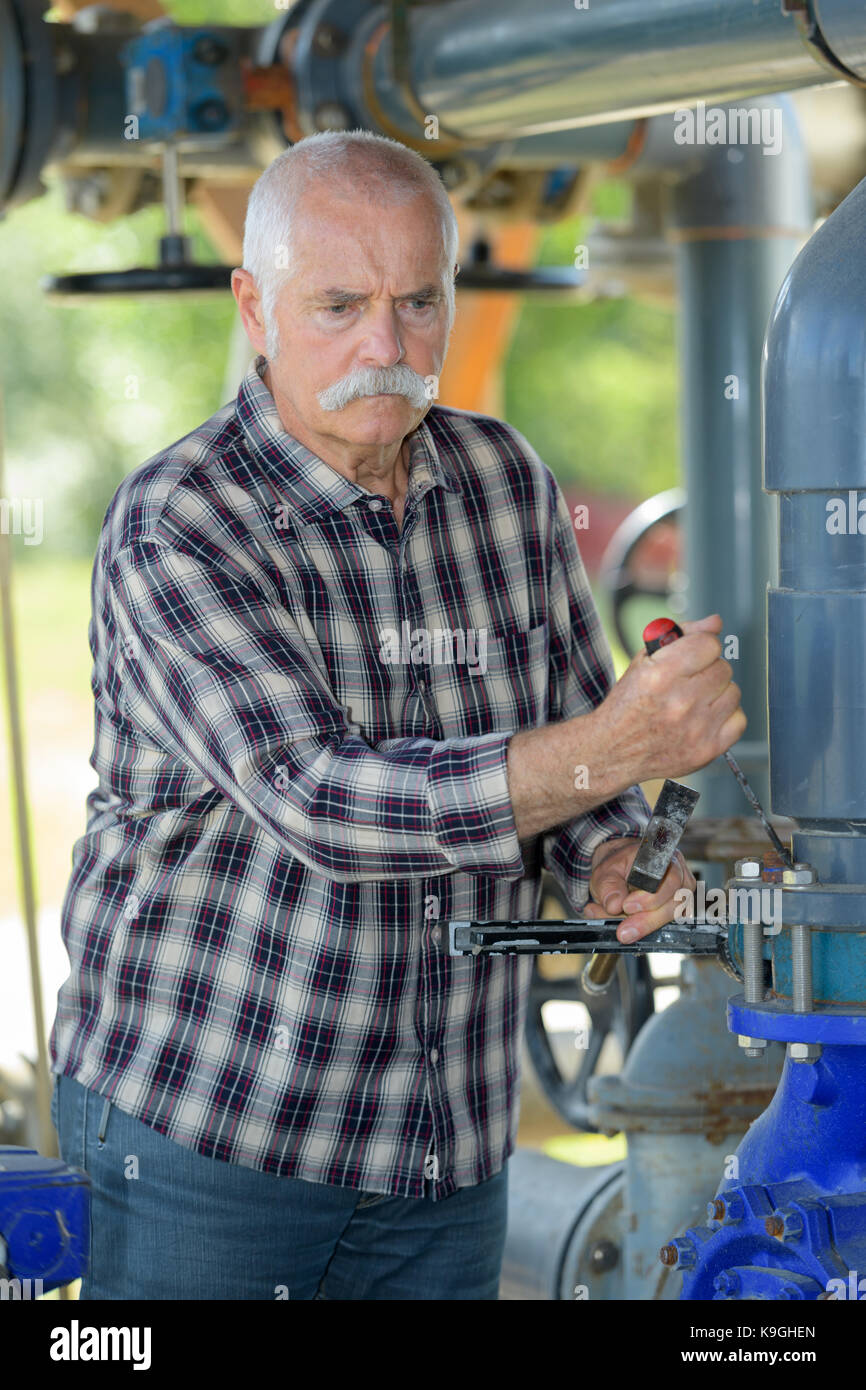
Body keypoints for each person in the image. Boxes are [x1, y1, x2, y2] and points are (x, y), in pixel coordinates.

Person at [49, 129, 745, 1301]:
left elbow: (565, 737)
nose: (385, 347)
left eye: (418, 303)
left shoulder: (504, 481)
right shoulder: (179, 522)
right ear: (254, 307)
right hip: (207, 1139)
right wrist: (609, 748)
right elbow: (324, 804)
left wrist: (609, 850)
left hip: (444, 1150)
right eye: (337, 306)